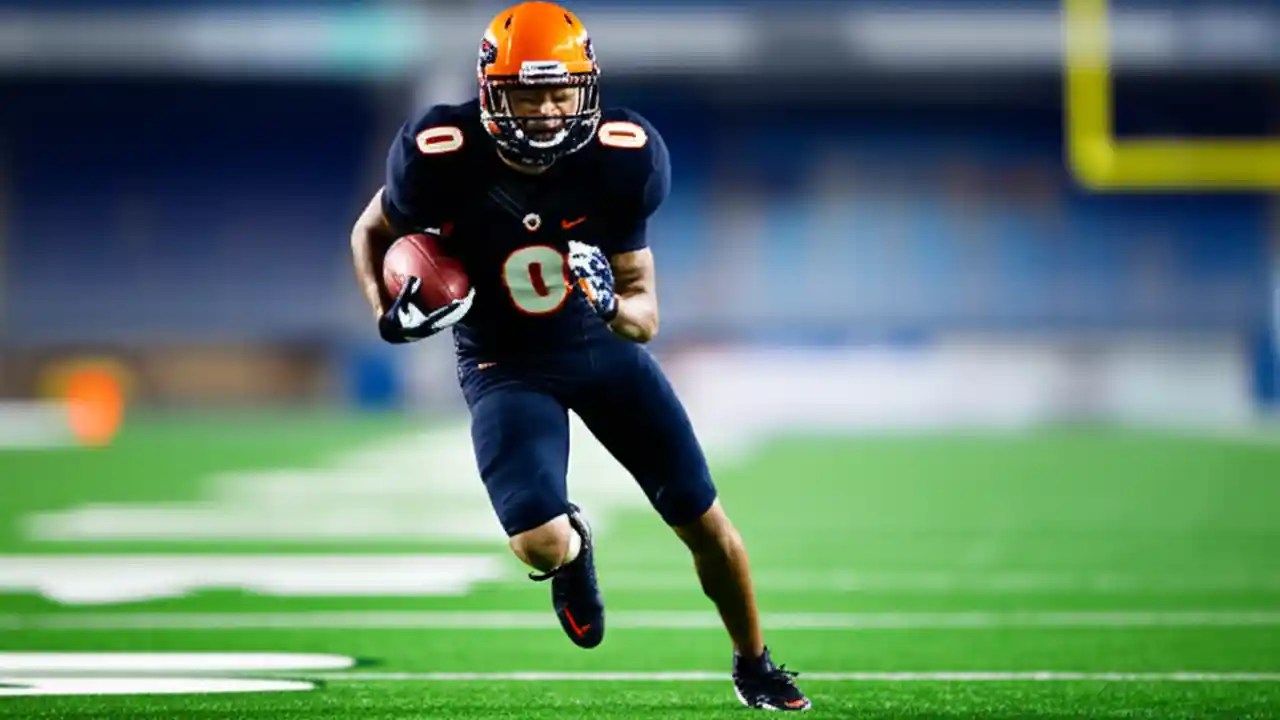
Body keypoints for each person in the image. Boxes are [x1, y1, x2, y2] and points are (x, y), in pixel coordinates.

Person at [348, 2, 810, 711]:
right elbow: (370, 231)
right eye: (528, 94)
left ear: (586, 87)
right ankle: (573, 551)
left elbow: (645, 316)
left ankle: (756, 663)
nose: (546, 110)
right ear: (491, 92)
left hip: (598, 350)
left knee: (703, 520)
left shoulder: (620, 158)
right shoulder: (438, 153)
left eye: (561, 92)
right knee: (537, 541)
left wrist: (609, 305)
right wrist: (387, 313)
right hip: (502, 361)